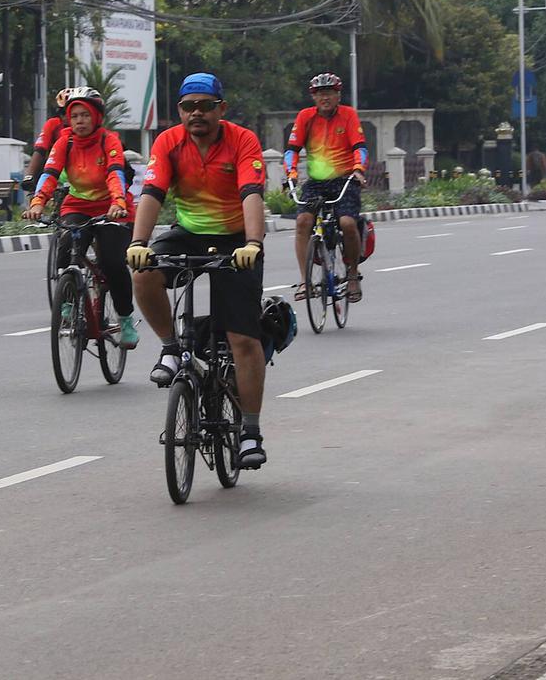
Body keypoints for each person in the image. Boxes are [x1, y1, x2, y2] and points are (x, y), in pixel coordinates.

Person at [125, 72, 270, 468]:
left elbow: (251, 194)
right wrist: (138, 244)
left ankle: (250, 433)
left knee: (242, 339)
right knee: (143, 273)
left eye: (206, 106)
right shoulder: (168, 142)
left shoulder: (243, 140)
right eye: (189, 107)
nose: (197, 114)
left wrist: (253, 244)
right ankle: (172, 347)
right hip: (188, 233)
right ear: (180, 111)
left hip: (236, 239)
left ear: (221, 109)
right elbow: (152, 193)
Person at [23, 87, 138, 348]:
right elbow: (50, 173)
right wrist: (38, 202)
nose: (79, 121)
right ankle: (68, 303)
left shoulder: (109, 141)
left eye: (85, 115)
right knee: (65, 250)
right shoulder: (65, 141)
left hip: (112, 206)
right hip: (78, 204)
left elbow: (115, 172)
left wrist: (118, 201)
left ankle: (126, 320)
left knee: (112, 262)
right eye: (74, 116)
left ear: (96, 117)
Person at [283, 72, 368, 303]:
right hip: (316, 183)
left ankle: (352, 275)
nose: (325, 98)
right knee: (302, 222)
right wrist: (290, 172)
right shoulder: (305, 117)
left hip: (344, 179)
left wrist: (359, 169)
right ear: (314, 97)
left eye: (329, 93)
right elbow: (292, 150)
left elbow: (360, 147)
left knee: (348, 223)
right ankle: (304, 281)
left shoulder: (348, 115)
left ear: (338, 95)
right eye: (320, 94)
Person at [22, 88, 73, 194]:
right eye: (62, 112)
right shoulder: (53, 124)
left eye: (71, 112)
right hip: (56, 170)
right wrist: (29, 175)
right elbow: (40, 150)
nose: (66, 116)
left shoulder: (88, 128)